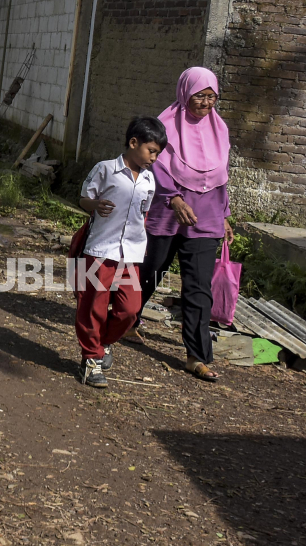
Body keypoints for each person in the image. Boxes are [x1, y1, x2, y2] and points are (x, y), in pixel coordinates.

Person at [136, 67, 234, 383]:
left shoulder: (220, 129)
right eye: (199, 97)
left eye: (211, 97)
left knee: (197, 288)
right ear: (184, 93)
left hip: (206, 218)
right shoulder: (165, 126)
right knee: (150, 271)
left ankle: (198, 357)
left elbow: (221, 177)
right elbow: (155, 167)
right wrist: (174, 199)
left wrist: (225, 215)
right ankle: (123, 319)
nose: (205, 103)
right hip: (168, 212)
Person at [75, 116, 167, 388]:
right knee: (93, 305)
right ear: (133, 142)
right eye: (151, 151)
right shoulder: (105, 170)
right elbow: (83, 199)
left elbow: (143, 214)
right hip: (100, 250)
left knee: (130, 309)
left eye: (158, 154)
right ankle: (90, 360)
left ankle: (102, 343)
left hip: (131, 255)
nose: (154, 158)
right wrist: (94, 205)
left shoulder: (150, 180)